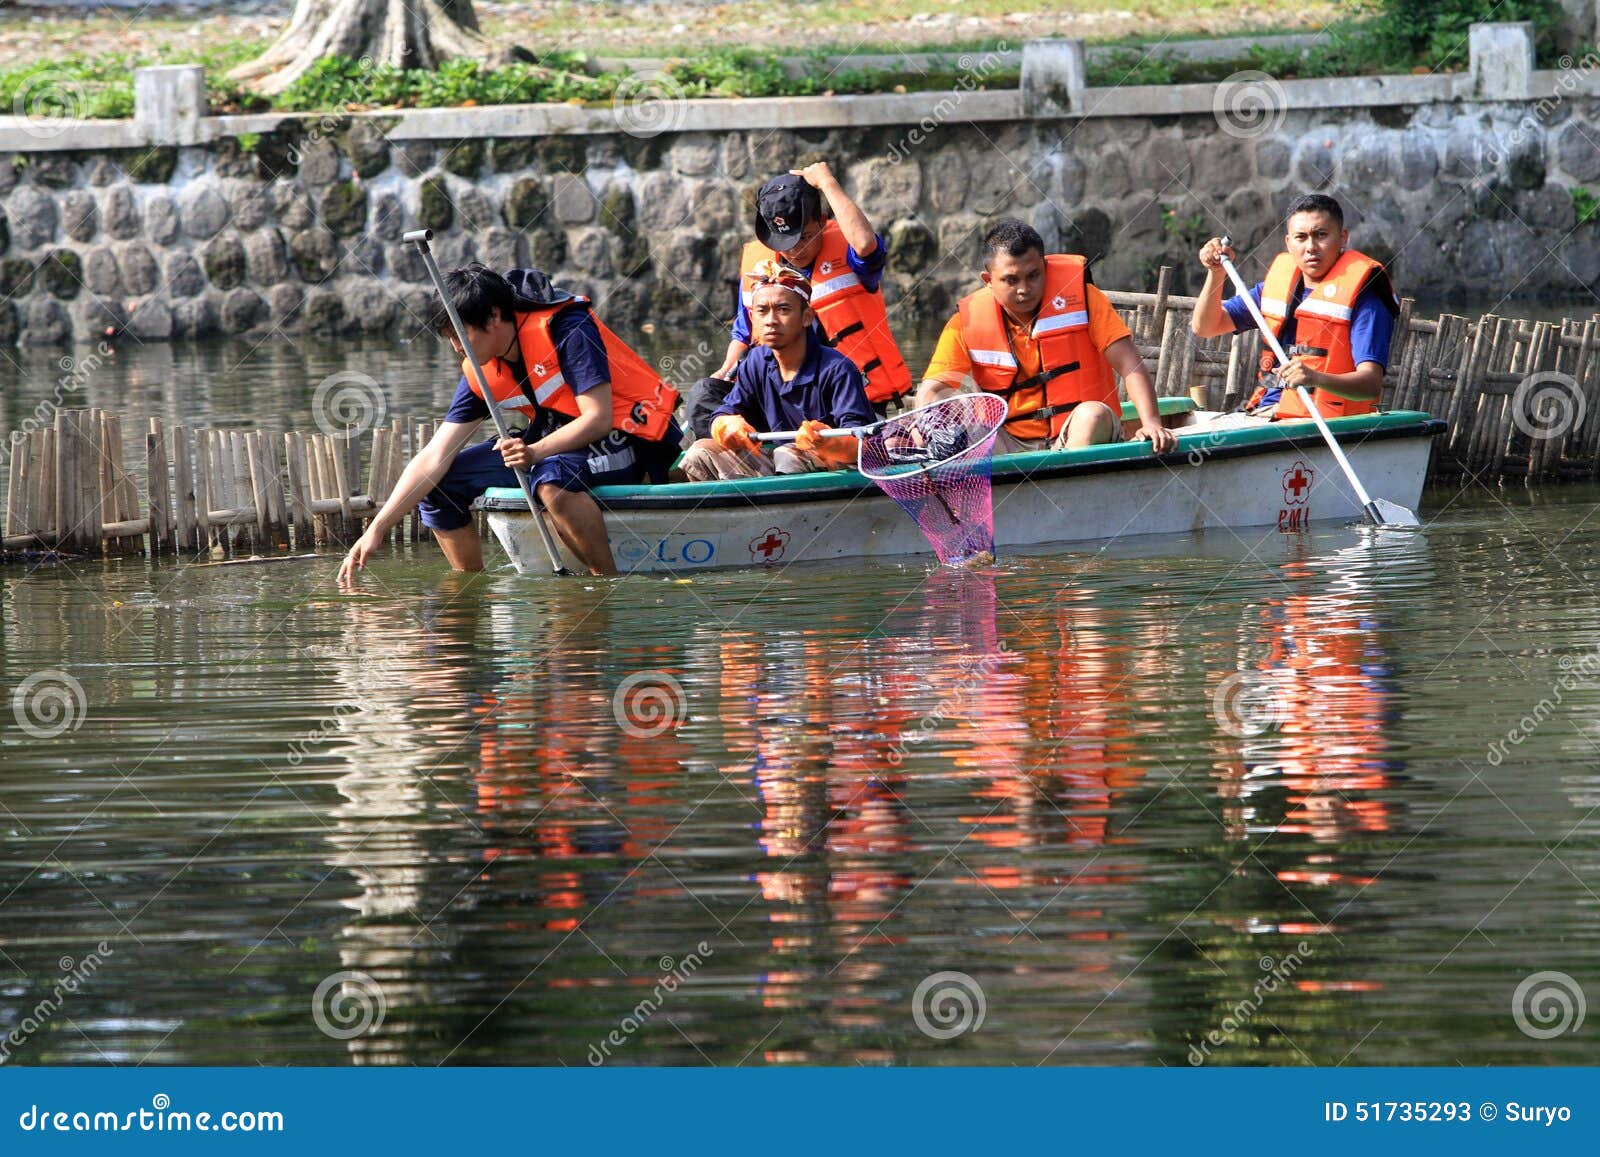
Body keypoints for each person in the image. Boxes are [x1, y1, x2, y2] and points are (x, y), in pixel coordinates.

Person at [337, 264, 680, 580]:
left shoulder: (569, 328)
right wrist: (378, 527)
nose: (457, 348)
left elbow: (598, 418)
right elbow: (434, 456)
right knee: (441, 485)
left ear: (494, 317)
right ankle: (469, 585)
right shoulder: (481, 366)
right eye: (450, 339)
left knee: (551, 480)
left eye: (461, 335)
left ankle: (605, 585)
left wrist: (533, 452)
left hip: (627, 442)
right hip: (551, 448)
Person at [685, 162, 911, 437]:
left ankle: (817, 457)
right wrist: (724, 372)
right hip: (778, 399)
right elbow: (744, 332)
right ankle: (739, 460)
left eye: (803, 236)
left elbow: (865, 244)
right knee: (704, 394)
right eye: (785, 241)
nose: (795, 249)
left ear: (822, 220)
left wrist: (827, 183)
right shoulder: (759, 266)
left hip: (844, 397)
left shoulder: (851, 252)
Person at [916, 219, 1177, 455]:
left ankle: (1069, 485)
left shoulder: (1085, 299)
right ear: (988, 280)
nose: (1024, 289)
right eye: (1011, 279)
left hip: (1080, 433)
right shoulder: (966, 321)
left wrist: (1152, 424)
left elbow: (1129, 364)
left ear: (1045, 267)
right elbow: (932, 389)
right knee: (967, 431)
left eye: (1033, 275)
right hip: (1008, 443)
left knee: (1093, 414)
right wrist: (924, 426)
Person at [1191, 193, 1399, 420]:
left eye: (1321, 235)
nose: (1311, 247)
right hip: (1266, 414)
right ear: (1289, 243)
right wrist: (1216, 273)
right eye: (1301, 237)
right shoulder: (1274, 287)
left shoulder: (1366, 299)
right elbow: (1206, 327)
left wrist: (1315, 377)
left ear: (1342, 238)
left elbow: (1370, 385)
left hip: (1324, 423)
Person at [680, 262, 874, 480]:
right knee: (700, 451)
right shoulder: (755, 361)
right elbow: (726, 410)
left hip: (836, 466)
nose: (771, 321)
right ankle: (735, 510)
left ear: (807, 317)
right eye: (762, 311)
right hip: (783, 460)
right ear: (753, 319)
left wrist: (826, 441)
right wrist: (724, 424)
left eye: (783, 310)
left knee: (787, 455)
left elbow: (861, 444)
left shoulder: (837, 369)